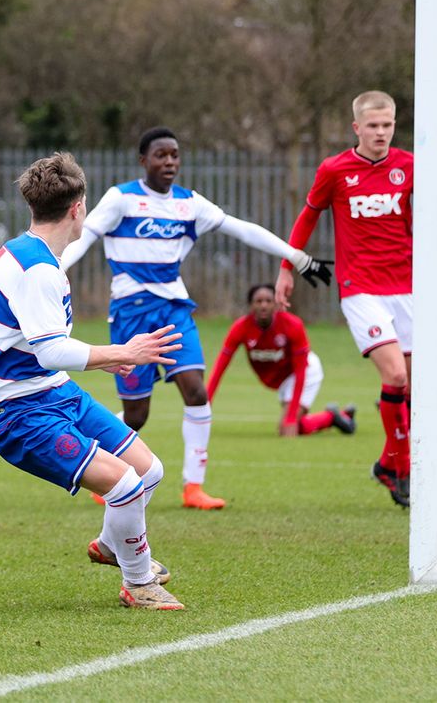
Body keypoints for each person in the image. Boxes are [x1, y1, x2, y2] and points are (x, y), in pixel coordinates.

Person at [61, 127, 332, 510]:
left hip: (174, 311)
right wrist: (54, 269)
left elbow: (243, 229)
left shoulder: (189, 204)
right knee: (137, 413)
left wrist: (297, 257)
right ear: (143, 161)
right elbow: (86, 236)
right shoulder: (122, 199)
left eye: (174, 155)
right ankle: (103, 467)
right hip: (131, 314)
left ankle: (194, 488)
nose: (169, 161)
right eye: (161, 155)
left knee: (196, 392)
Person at [0, 152, 185, 609]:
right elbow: (50, 350)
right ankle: (139, 583)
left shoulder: (29, 253)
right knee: (124, 485)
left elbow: (40, 347)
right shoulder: (38, 271)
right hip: (15, 410)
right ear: (77, 208)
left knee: (149, 472)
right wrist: (122, 353)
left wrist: (106, 361)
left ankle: (111, 545)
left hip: (51, 390)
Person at [276, 90, 437, 507]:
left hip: (407, 289)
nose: (381, 132)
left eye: (387, 125)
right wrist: (286, 267)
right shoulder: (335, 170)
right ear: (357, 128)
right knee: (396, 377)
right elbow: (308, 215)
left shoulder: (409, 165)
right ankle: (403, 468)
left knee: (415, 389)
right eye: (373, 126)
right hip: (360, 290)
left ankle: (388, 465)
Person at [206, 284, 357, 437]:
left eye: (268, 301)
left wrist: (290, 418)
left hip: (306, 371)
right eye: (258, 301)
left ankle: (331, 417)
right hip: (284, 380)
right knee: (291, 425)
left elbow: (300, 371)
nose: (263, 305)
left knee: (287, 428)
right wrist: (205, 404)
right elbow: (220, 368)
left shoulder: (292, 324)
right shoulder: (241, 328)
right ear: (250, 305)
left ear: (276, 304)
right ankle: (337, 417)